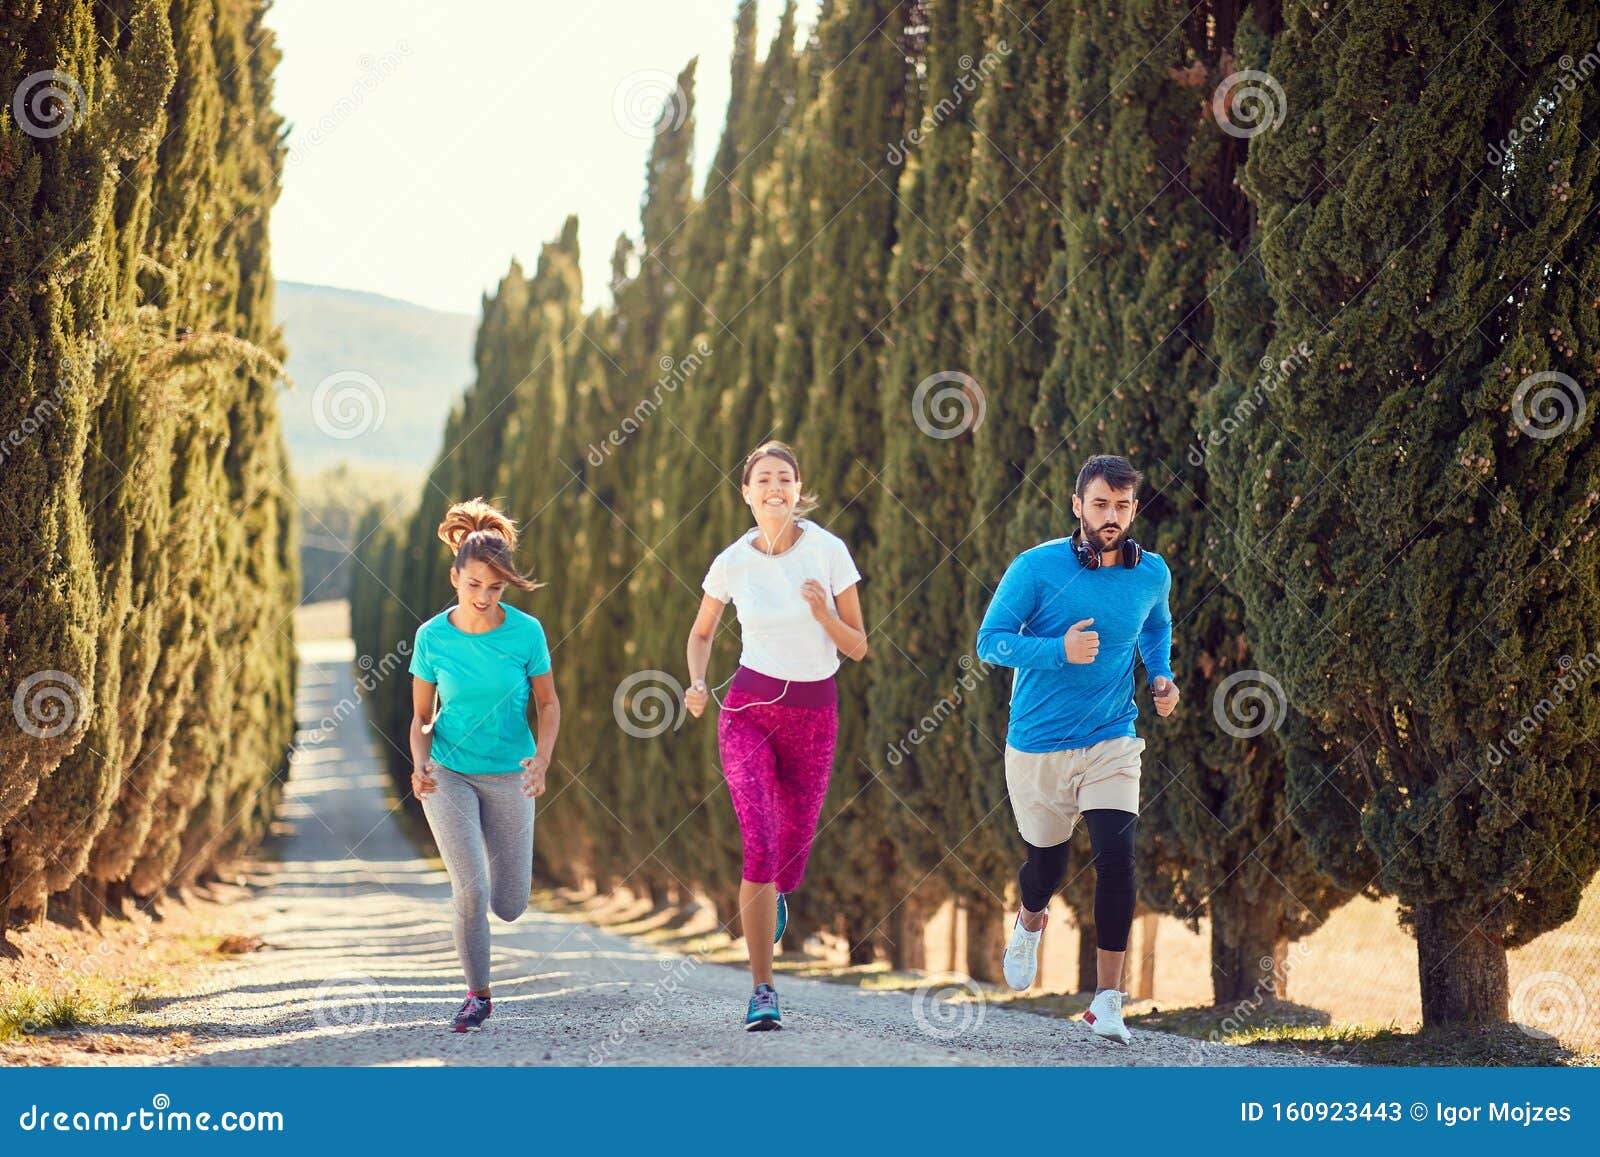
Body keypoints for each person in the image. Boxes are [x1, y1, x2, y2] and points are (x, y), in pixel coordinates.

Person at [976, 454, 1179, 1045]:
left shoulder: (1151, 573)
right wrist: (1056, 651)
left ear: (1133, 510)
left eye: (1122, 506)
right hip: (1037, 745)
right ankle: (1030, 918)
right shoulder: (1035, 568)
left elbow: (1156, 627)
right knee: (1046, 868)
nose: (1111, 517)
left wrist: (1161, 675)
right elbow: (990, 643)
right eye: (1100, 504)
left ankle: (1107, 1002)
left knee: (1118, 858)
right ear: (1077, 506)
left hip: (1112, 737)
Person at [684, 441, 868, 1031]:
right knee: (760, 844)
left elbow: (858, 646)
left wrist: (824, 615)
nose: (774, 488)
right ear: (746, 493)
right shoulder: (731, 562)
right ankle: (762, 989)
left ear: (798, 489)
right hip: (747, 713)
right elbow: (702, 633)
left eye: (784, 478)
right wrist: (696, 682)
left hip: (814, 717)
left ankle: (776, 895)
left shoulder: (828, 551)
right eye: (763, 479)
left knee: (789, 857)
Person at [408, 497, 561, 1033]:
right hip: (448, 771)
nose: (482, 596)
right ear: (455, 577)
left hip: (510, 772)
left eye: (495, 587)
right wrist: (420, 762)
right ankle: (478, 994)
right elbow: (421, 716)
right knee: (470, 888)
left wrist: (542, 760)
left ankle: (496, 867)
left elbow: (548, 704)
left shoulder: (526, 633)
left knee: (511, 904)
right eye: (473, 584)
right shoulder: (432, 637)